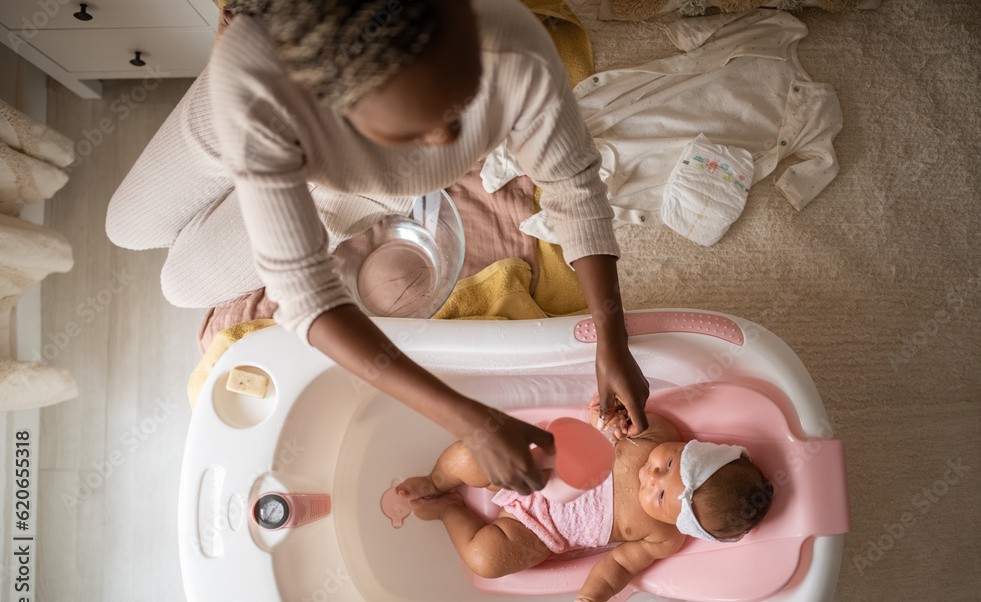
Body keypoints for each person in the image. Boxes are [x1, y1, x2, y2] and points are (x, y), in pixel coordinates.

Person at [106, 0, 649, 495]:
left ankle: (286, 189)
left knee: (178, 284)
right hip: (254, 117)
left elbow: (574, 183)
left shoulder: (512, 44)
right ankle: (249, 173)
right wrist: (471, 422)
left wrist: (611, 335)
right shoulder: (260, 86)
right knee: (125, 227)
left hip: (336, 190)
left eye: (461, 104)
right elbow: (309, 300)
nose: (448, 142)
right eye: (417, 128)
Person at [395, 401, 774, 602]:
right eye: (670, 463)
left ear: (679, 522)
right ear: (692, 447)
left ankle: (449, 510)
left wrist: (591, 601)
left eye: (659, 495)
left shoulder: (664, 537)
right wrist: (606, 415)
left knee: (485, 560)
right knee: (469, 454)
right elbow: (611, 413)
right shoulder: (657, 433)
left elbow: (618, 568)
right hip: (534, 468)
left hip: (538, 531)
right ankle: (435, 479)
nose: (651, 475)